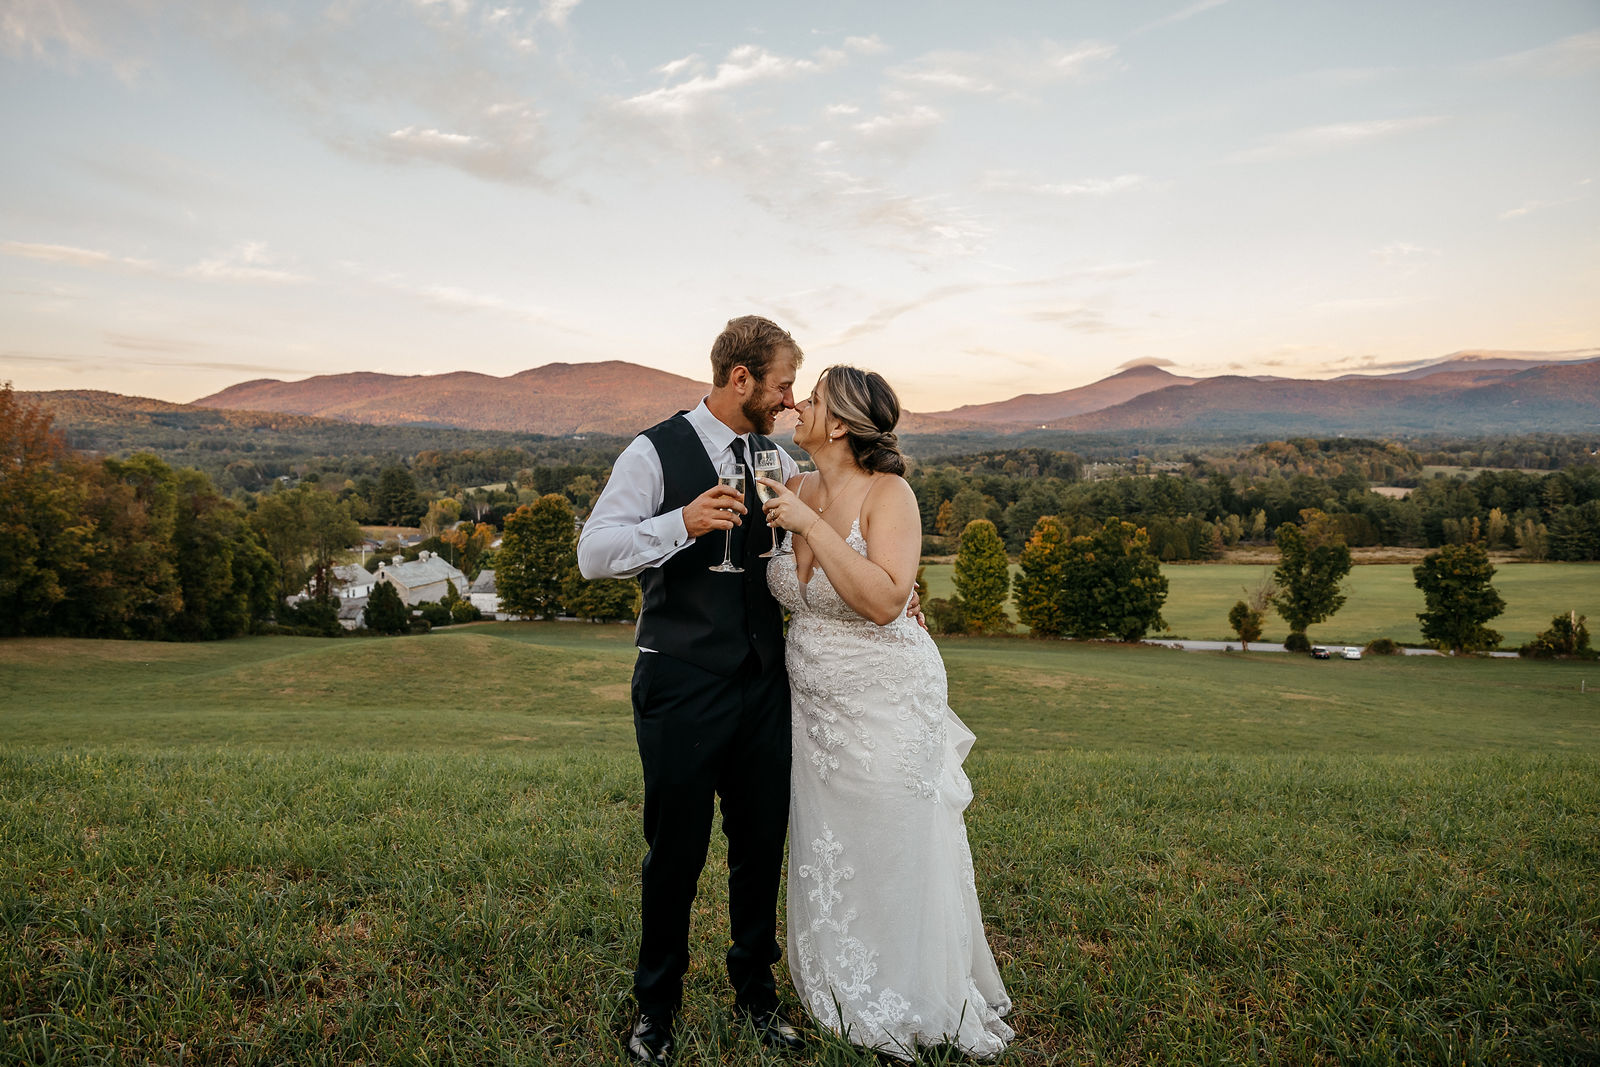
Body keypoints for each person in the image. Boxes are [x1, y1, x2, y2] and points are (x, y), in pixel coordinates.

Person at [756, 365, 1014, 1061]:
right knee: (835, 845)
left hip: (887, 694)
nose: (796, 406)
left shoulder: (888, 493)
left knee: (896, 839)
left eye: (809, 400)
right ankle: (842, 980)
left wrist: (811, 523)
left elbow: (884, 600)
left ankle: (915, 986)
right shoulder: (790, 477)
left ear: (839, 423)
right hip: (814, 705)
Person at [577, 315, 806, 1064]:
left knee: (760, 843)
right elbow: (594, 552)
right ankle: (656, 1008)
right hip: (680, 680)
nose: (788, 399)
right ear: (739, 379)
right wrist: (683, 519)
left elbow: (825, 532)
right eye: (780, 385)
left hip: (765, 682)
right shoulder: (653, 450)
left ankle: (756, 997)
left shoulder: (775, 452)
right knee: (675, 849)